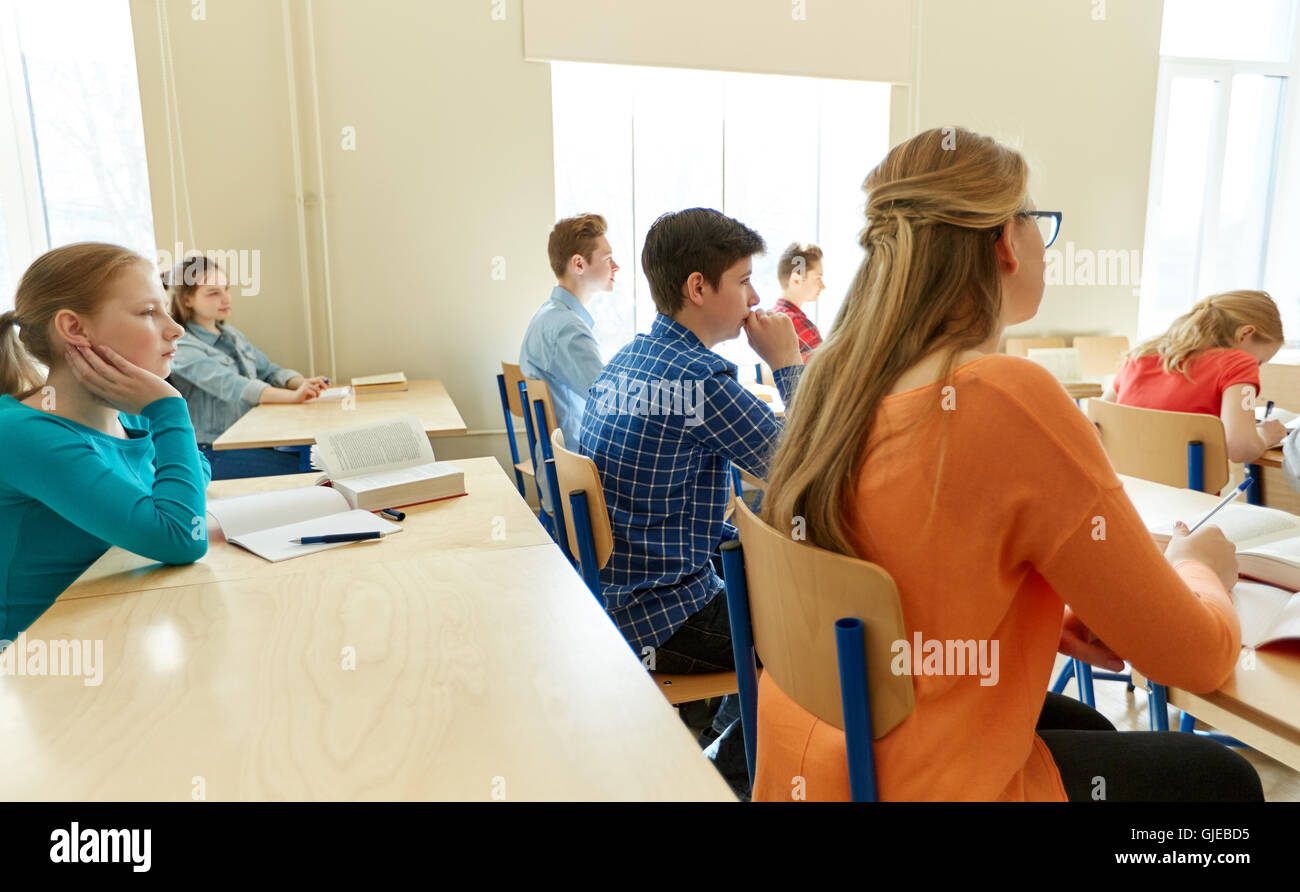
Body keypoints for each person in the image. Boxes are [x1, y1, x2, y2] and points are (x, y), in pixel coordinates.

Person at [756, 127, 1261, 802]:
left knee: (1083, 726)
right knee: (1222, 782)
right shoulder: (1002, 396)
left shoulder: (834, 383)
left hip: (820, 762)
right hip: (922, 779)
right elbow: (1194, 658)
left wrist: (1040, 620)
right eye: (1036, 221)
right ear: (1003, 242)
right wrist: (1200, 567)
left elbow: (887, 578)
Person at [580, 207, 802, 797]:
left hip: (614, 602)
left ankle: (704, 745)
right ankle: (719, 781)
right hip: (667, 618)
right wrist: (787, 364)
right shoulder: (702, 382)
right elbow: (805, 469)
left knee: (759, 589)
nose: (755, 295)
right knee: (810, 633)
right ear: (698, 288)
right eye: (744, 279)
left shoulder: (630, 358)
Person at [0, 243, 210, 644]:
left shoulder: (124, 414)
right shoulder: (22, 434)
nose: (176, 328)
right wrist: (170, 411)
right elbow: (182, 537)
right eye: (149, 312)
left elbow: (197, 475)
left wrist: (161, 421)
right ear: (75, 328)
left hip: (113, 629)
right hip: (32, 667)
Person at [165, 255, 328, 479]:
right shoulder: (181, 346)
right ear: (187, 300)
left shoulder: (232, 335)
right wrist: (293, 397)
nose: (226, 298)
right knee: (316, 468)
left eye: (226, 289)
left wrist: (302, 383)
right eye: (214, 293)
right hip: (213, 451)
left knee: (319, 451)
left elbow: (269, 371)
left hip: (251, 436)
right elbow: (235, 386)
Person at [1104, 290, 1286, 463]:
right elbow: (1240, 448)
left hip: (1127, 487)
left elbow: (1099, 421)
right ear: (1245, 333)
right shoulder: (1239, 362)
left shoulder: (1141, 355)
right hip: (1190, 492)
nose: (1257, 366)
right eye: (1260, 361)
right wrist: (1265, 435)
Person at [519, 213, 619, 511]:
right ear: (579, 264)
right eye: (608, 258)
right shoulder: (567, 329)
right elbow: (609, 402)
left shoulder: (549, 315)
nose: (616, 266)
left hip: (559, 473)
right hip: (577, 481)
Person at [772, 241, 825, 360]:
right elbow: (831, 368)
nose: (823, 286)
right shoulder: (793, 322)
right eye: (818, 278)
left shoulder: (774, 316)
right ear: (796, 279)